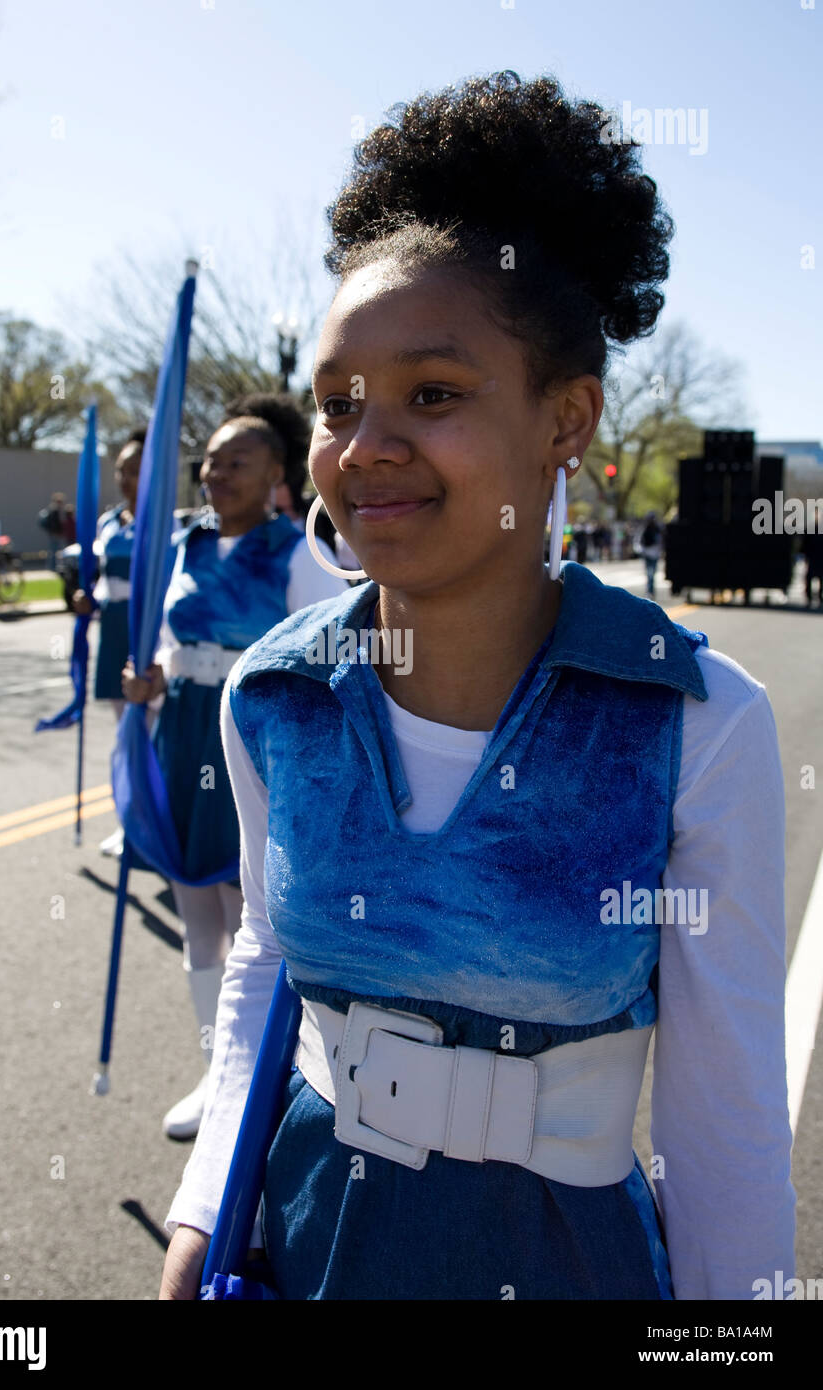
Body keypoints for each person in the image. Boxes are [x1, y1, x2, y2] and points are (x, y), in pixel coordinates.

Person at [159, 72, 795, 1301]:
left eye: (433, 395)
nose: (366, 446)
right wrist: (200, 1217)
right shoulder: (273, 695)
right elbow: (266, 965)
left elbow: (727, 1125)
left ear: (567, 419)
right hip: (303, 1246)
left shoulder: (700, 723)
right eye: (338, 403)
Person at [122, 395, 348, 1139]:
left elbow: (323, 659)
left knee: (248, 913)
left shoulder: (296, 551)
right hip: (182, 733)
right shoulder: (184, 544)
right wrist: (148, 678)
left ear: (274, 472)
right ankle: (217, 1071)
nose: (216, 472)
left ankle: (265, 1075)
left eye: (235, 461)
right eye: (210, 460)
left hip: (253, 739)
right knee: (194, 906)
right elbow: (163, 639)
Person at [73, 429, 146, 855]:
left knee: (147, 734)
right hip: (113, 630)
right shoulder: (107, 522)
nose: (126, 478)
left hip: (146, 632)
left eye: (135, 470)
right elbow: (103, 584)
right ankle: (128, 824)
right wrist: (90, 601)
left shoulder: (166, 525)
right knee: (123, 734)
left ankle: (152, 824)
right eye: (121, 470)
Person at [38, 493, 68, 569]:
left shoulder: (52, 510)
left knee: (53, 550)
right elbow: (55, 523)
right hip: (55, 534)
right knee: (54, 551)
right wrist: (58, 532)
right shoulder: (54, 510)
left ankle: (52, 566)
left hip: (53, 533)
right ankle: (52, 567)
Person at [638, 511, 663, 597]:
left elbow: (661, 541)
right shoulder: (645, 529)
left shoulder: (657, 529)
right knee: (649, 574)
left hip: (654, 554)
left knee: (652, 574)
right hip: (648, 554)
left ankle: (651, 590)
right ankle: (650, 590)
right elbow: (641, 542)